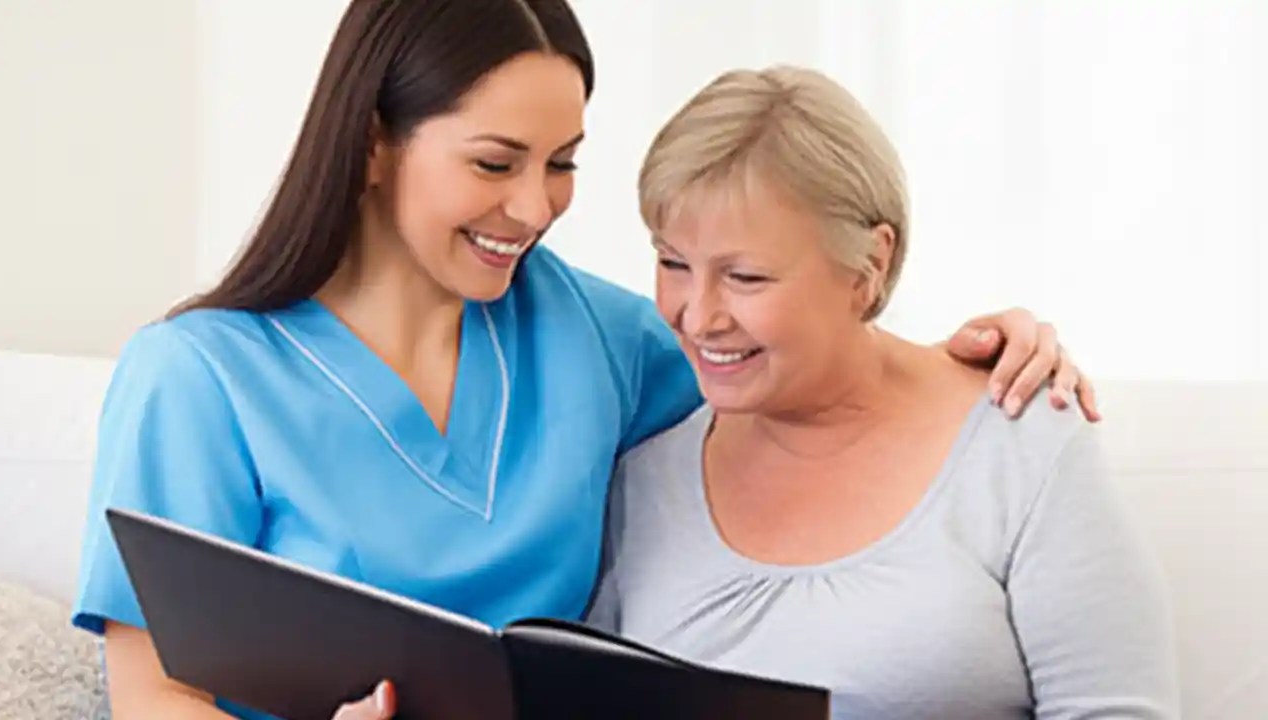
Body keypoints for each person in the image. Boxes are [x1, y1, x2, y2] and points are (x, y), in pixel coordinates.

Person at [70, 2, 1099, 719]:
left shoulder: (598, 338)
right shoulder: (197, 378)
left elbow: (790, 368)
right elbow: (153, 696)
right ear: (374, 141)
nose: (533, 208)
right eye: (495, 162)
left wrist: (971, 361)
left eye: (561, 164)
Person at [586, 65, 1179, 719]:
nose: (698, 317)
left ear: (869, 265)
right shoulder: (642, 472)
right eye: (673, 262)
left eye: (746, 277)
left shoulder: (1020, 440)